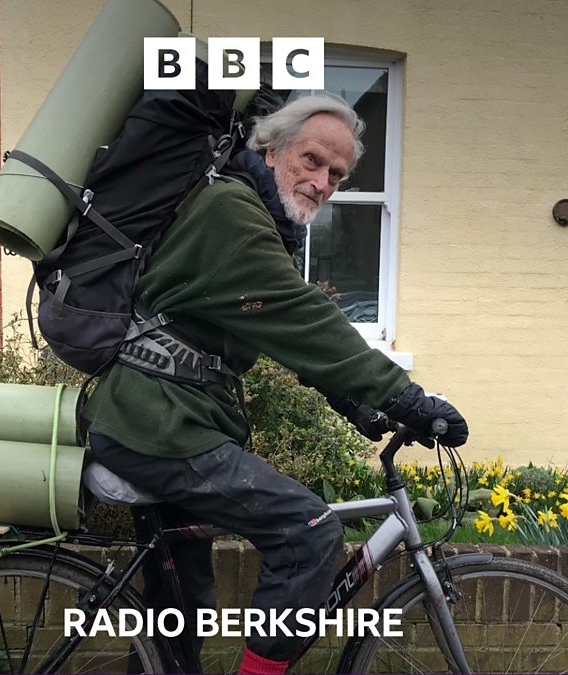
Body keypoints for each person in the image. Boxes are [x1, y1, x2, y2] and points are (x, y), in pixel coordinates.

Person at [83, 93, 469, 675]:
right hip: (160, 426)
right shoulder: (233, 216)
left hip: (159, 420)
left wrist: (354, 403)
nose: (322, 181)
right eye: (311, 161)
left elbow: (275, 324)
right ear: (270, 150)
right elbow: (303, 319)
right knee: (307, 531)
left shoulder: (252, 216)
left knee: (179, 618)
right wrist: (406, 399)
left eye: (336, 174)